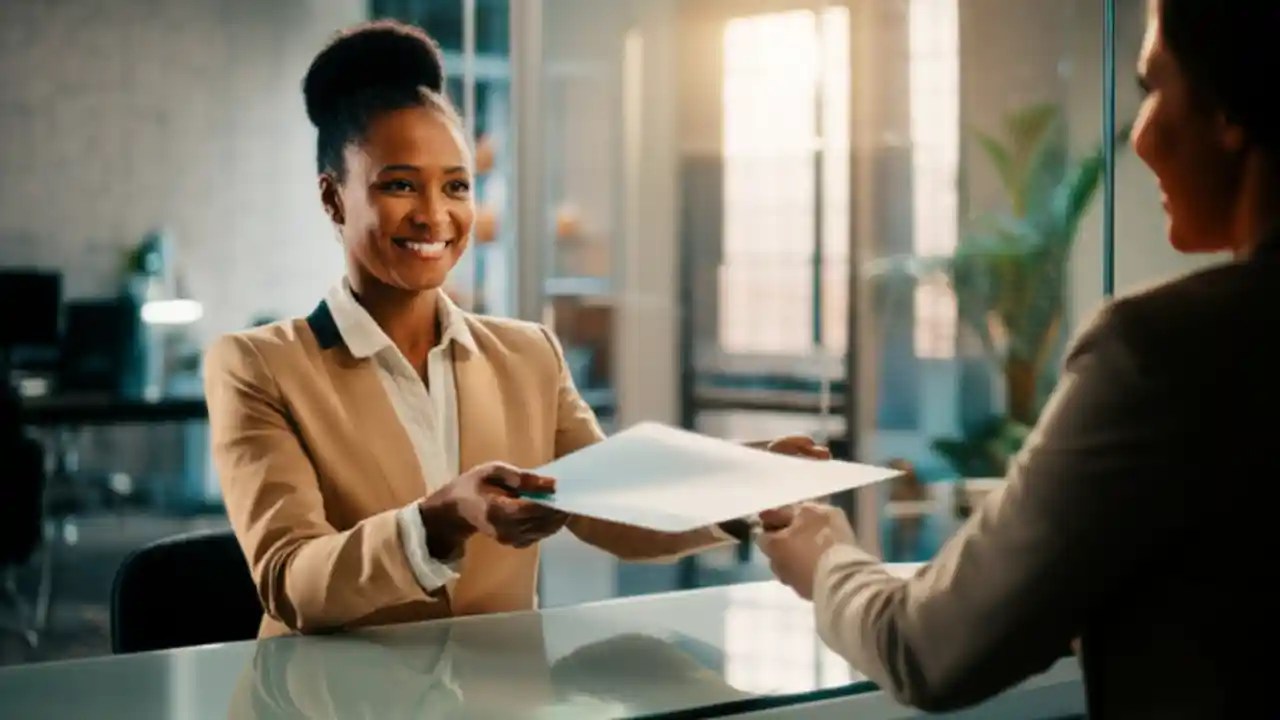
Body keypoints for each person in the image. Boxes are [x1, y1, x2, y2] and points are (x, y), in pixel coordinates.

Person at [204, 20, 826, 639]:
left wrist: (745, 485)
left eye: (455, 186)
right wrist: (436, 522)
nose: (434, 215)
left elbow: (613, 510)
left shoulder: (529, 354)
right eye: (399, 185)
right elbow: (292, 581)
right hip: (327, 703)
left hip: (499, 696)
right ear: (334, 200)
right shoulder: (259, 366)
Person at [757, 1, 1278, 716]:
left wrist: (827, 559)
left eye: (1154, 88)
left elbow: (926, 648)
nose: (1142, 137)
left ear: (1232, 108)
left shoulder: (1162, 352)